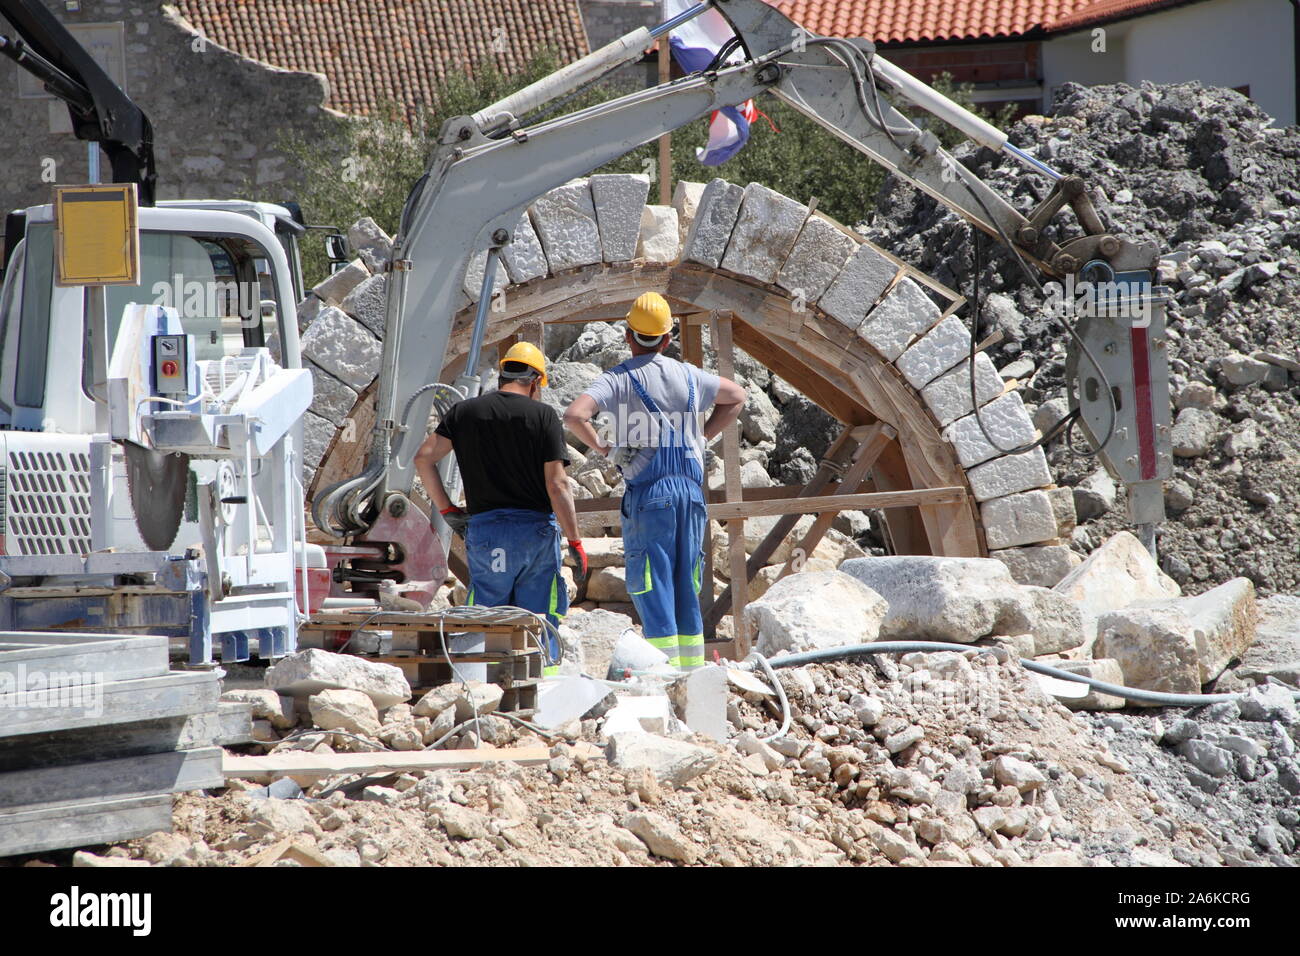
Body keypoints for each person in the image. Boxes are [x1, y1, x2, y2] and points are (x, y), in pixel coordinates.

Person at [564, 292, 745, 671]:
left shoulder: (618, 379)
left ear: (629, 336)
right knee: (686, 584)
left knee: (652, 582)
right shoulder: (690, 375)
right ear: (666, 339)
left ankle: (664, 677)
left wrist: (604, 448)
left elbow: (575, 415)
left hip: (651, 497)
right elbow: (737, 396)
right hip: (691, 497)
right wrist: (704, 435)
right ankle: (694, 675)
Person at [414, 342, 587, 674]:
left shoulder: (464, 412)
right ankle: (540, 683)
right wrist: (576, 541)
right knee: (537, 620)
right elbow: (557, 484)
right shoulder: (544, 416)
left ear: (503, 375)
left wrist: (448, 511)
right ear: (535, 381)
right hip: (533, 533)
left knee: (486, 618)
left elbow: (423, 458)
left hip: (486, 532)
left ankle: (484, 687)